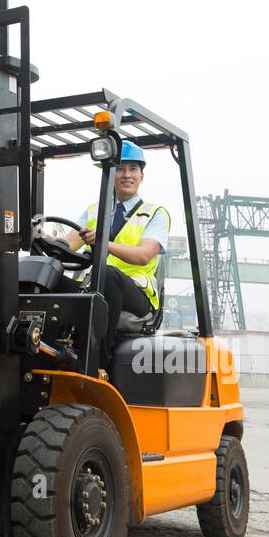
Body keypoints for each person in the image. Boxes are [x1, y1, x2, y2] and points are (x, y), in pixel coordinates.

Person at [54, 141, 170, 370]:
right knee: (49, 275)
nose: (127, 175)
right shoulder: (94, 210)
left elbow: (143, 256)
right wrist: (45, 241)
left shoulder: (155, 213)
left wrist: (102, 243)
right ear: (110, 175)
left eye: (133, 169)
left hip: (138, 297)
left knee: (105, 274)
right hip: (97, 285)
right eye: (120, 169)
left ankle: (98, 361)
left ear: (142, 176)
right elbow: (68, 245)